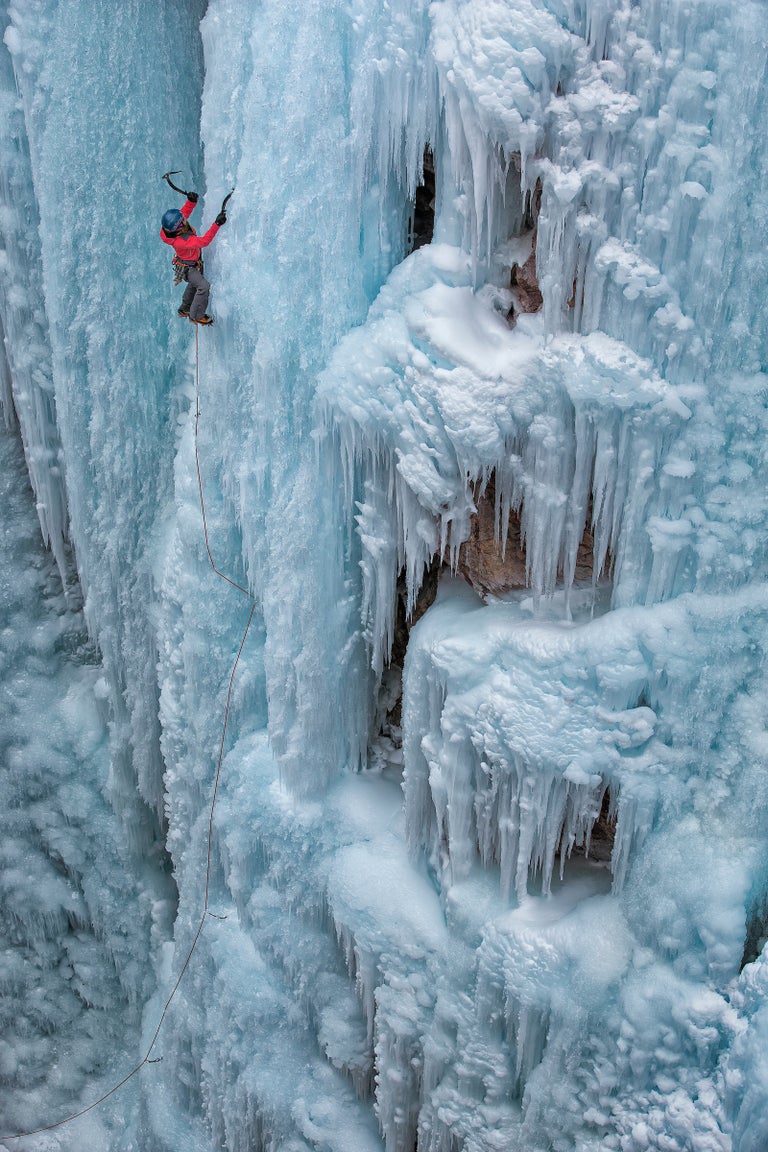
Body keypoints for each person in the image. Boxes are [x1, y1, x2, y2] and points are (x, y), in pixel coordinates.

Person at [160, 193, 227, 325]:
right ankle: (196, 315)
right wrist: (217, 224)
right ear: (179, 228)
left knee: (194, 285)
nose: (185, 219)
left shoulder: (168, 231)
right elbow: (204, 242)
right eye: (182, 221)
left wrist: (191, 202)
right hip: (189, 268)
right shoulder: (182, 241)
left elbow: (182, 214)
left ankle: (185, 308)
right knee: (203, 286)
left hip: (188, 265)